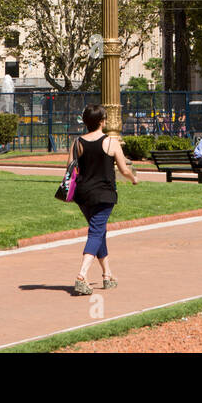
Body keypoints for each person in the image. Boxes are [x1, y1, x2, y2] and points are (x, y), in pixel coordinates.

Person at [70, 104, 139, 295]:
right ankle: (81, 276)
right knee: (96, 232)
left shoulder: (77, 142)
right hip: (104, 194)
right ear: (101, 122)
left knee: (99, 231)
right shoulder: (111, 142)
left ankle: (107, 275)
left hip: (83, 195)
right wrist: (134, 179)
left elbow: (70, 168)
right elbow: (124, 169)